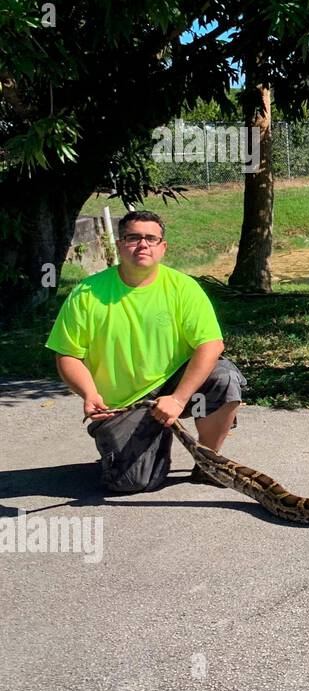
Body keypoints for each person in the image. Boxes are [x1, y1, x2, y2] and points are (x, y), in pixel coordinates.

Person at [45, 209, 247, 493]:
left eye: (152, 239)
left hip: (173, 387)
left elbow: (211, 344)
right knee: (132, 483)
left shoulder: (183, 288)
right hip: (124, 404)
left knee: (224, 377)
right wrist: (89, 393)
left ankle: (208, 463)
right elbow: (67, 354)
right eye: (133, 238)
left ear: (163, 247)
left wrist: (178, 399)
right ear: (119, 244)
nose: (143, 245)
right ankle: (144, 444)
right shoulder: (87, 293)